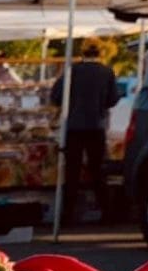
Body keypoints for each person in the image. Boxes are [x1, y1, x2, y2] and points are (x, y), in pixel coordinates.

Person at [49, 38, 120, 222]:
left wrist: (71, 104)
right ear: (100, 53)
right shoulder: (107, 72)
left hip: (74, 126)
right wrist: (100, 105)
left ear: (83, 53)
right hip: (96, 126)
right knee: (97, 169)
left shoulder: (72, 71)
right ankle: (107, 212)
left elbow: (55, 96)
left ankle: (68, 214)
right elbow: (113, 99)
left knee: (72, 171)